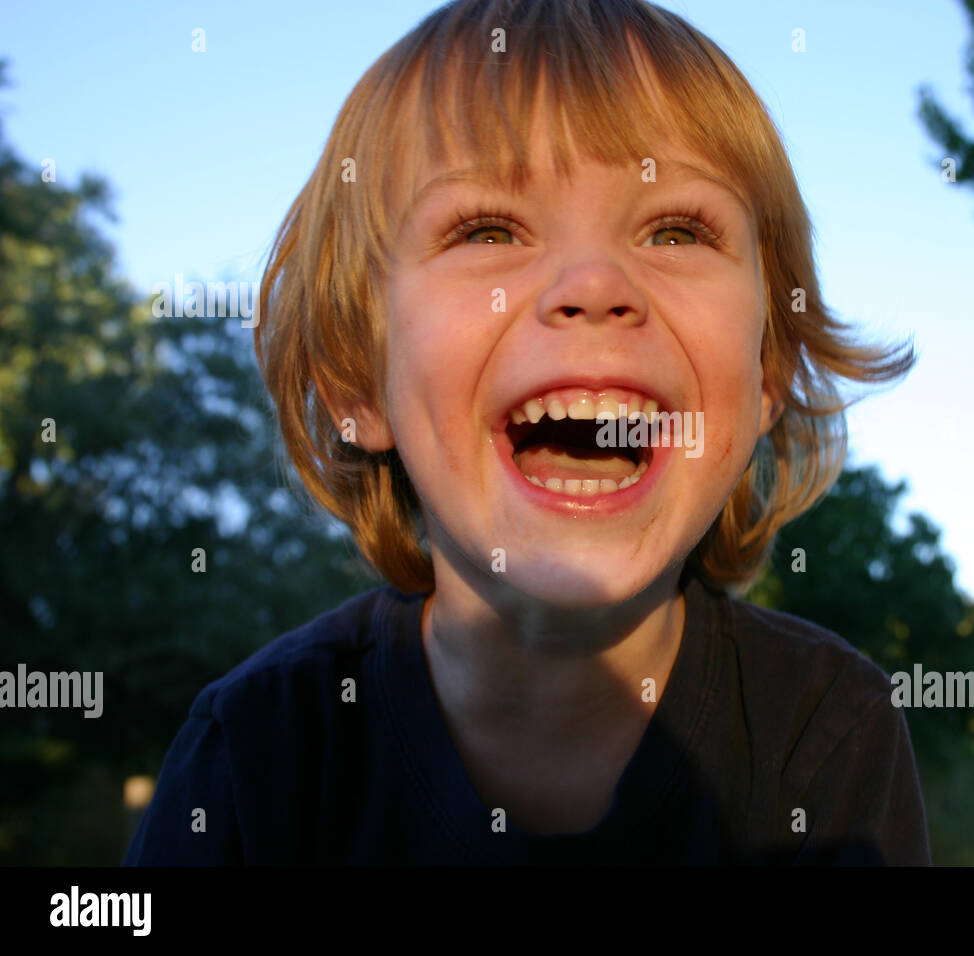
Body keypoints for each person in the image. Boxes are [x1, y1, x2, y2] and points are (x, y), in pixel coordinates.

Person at [123, 0, 927, 865]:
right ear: (360, 384)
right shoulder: (258, 756)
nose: (593, 282)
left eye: (675, 230)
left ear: (767, 372)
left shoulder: (824, 730)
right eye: (489, 230)